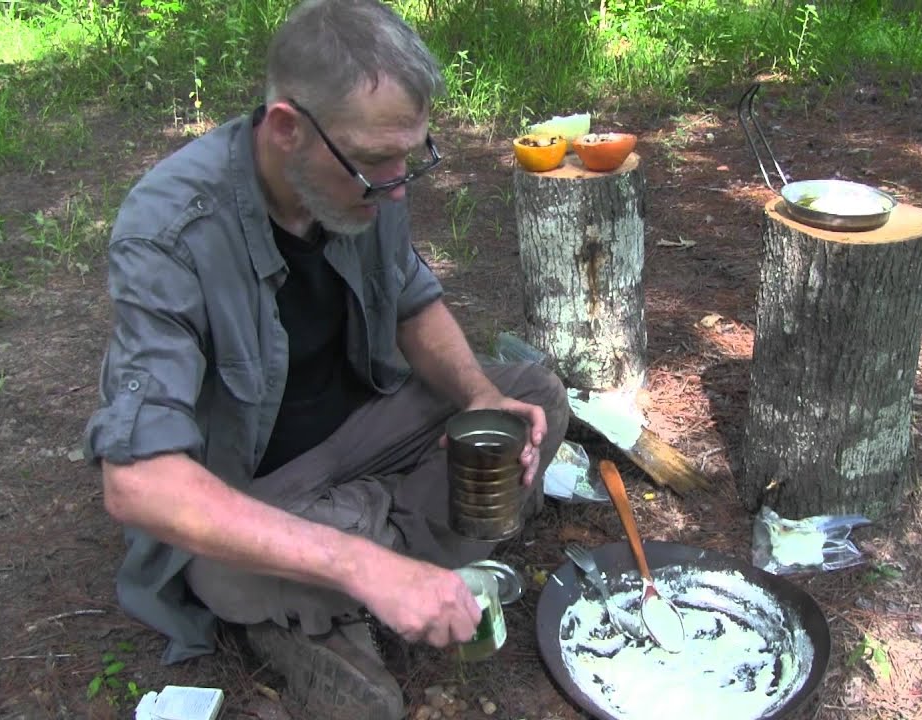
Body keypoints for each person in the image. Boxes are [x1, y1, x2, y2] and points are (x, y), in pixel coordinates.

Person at [82, 1, 570, 717]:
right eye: (376, 163)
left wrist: (477, 397)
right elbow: (138, 486)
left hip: (365, 429)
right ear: (286, 128)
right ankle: (371, 567)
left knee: (534, 397)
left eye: (411, 155)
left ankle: (342, 581)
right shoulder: (169, 230)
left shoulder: (366, 181)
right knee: (216, 563)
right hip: (260, 486)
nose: (399, 186)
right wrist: (363, 564)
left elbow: (409, 300)